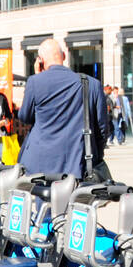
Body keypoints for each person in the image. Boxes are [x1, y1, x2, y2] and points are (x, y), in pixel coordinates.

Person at [15, 38, 108, 180]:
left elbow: (24, 116)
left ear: (40, 61)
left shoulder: (35, 82)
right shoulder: (92, 84)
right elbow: (102, 128)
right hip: (78, 161)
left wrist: (38, 76)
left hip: (41, 161)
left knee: (45, 199)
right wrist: (96, 154)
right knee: (75, 200)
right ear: (64, 56)